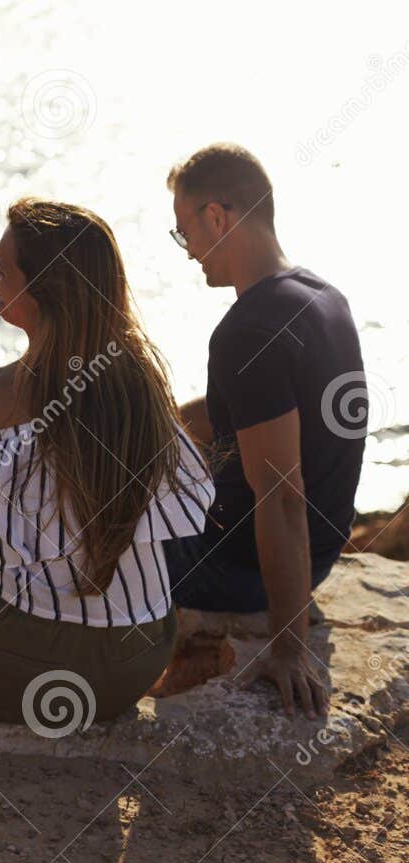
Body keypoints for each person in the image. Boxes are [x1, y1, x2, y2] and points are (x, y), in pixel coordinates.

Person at [0, 199, 215, 728]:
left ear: (40, 290)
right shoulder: (142, 381)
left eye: (4, 269)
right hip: (135, 659)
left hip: (27, 671)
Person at [165, 143, 364, 718]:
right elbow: (256, 407)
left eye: (185, 233)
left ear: (216, 217)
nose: (189, 253)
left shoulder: (247, 333)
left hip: (241, 572)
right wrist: (166, 422)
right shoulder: (322, 297)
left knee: (81, 536)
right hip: (323, 552)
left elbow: (280, 496)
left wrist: (289, 647)